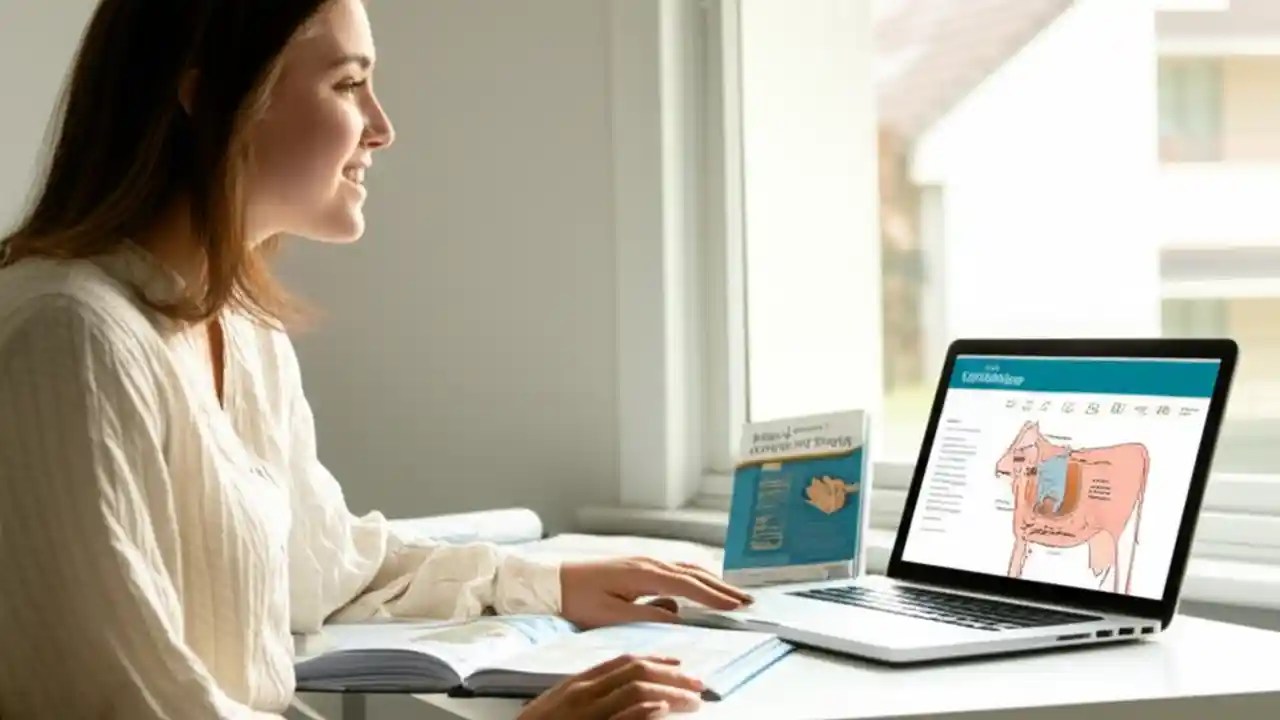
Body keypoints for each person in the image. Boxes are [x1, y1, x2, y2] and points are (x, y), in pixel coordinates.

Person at [0, 1, 752, 718]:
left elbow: (326, 567)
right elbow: (118, 705)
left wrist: (547, 583)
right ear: (212, 97)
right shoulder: (70, 338)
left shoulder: (240, 329)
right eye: (349, 83)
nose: (382, 128)